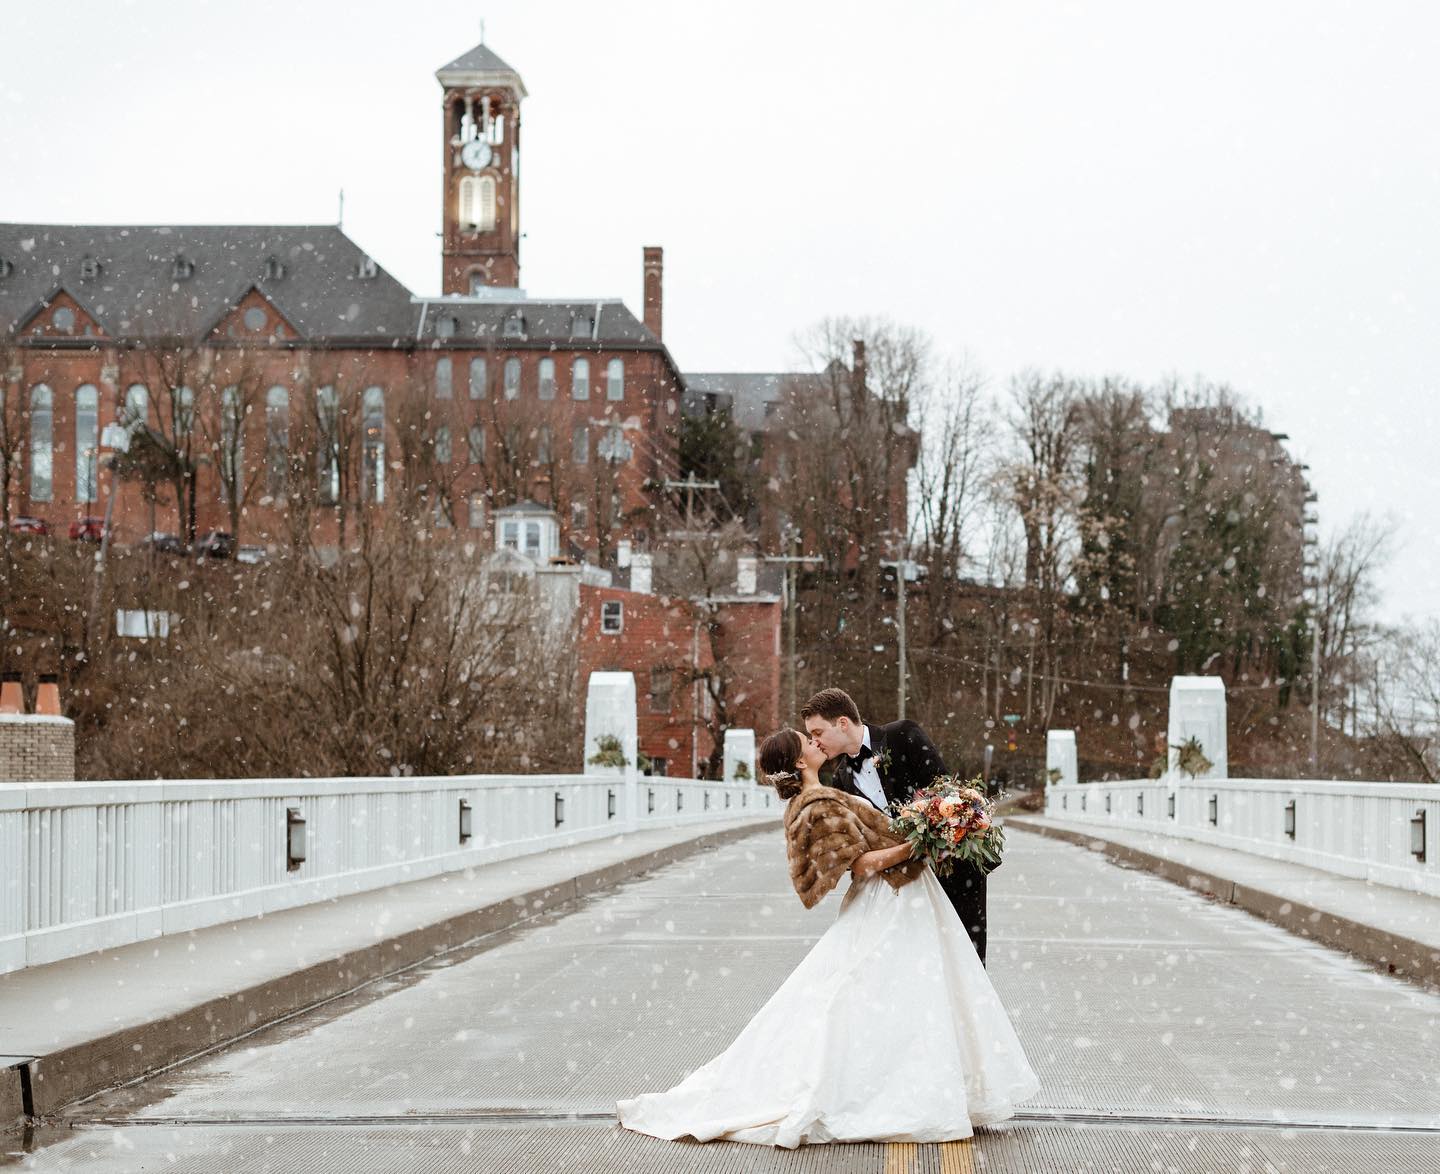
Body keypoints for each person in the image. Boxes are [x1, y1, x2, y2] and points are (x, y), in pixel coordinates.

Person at [616, 727, 1038, 1147]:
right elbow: (861, 865)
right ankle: (887, 1088)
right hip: (883, 899)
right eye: (808, 742)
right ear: (800, 762)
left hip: (893, 897)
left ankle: (902, 1082)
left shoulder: (822, 794)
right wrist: (921, 840)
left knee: (888, 995)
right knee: (877, 995)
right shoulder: (816, 803)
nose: (817, 743)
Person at [802, 687, 995, 964]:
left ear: (842, 723)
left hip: (954, 868)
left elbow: (946, 794)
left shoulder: (902, 735)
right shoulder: (842, 779)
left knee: (967, 960)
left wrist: (927, 834)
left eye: (817, 733)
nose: (815, 742)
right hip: (909, 884)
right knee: (925, 965)